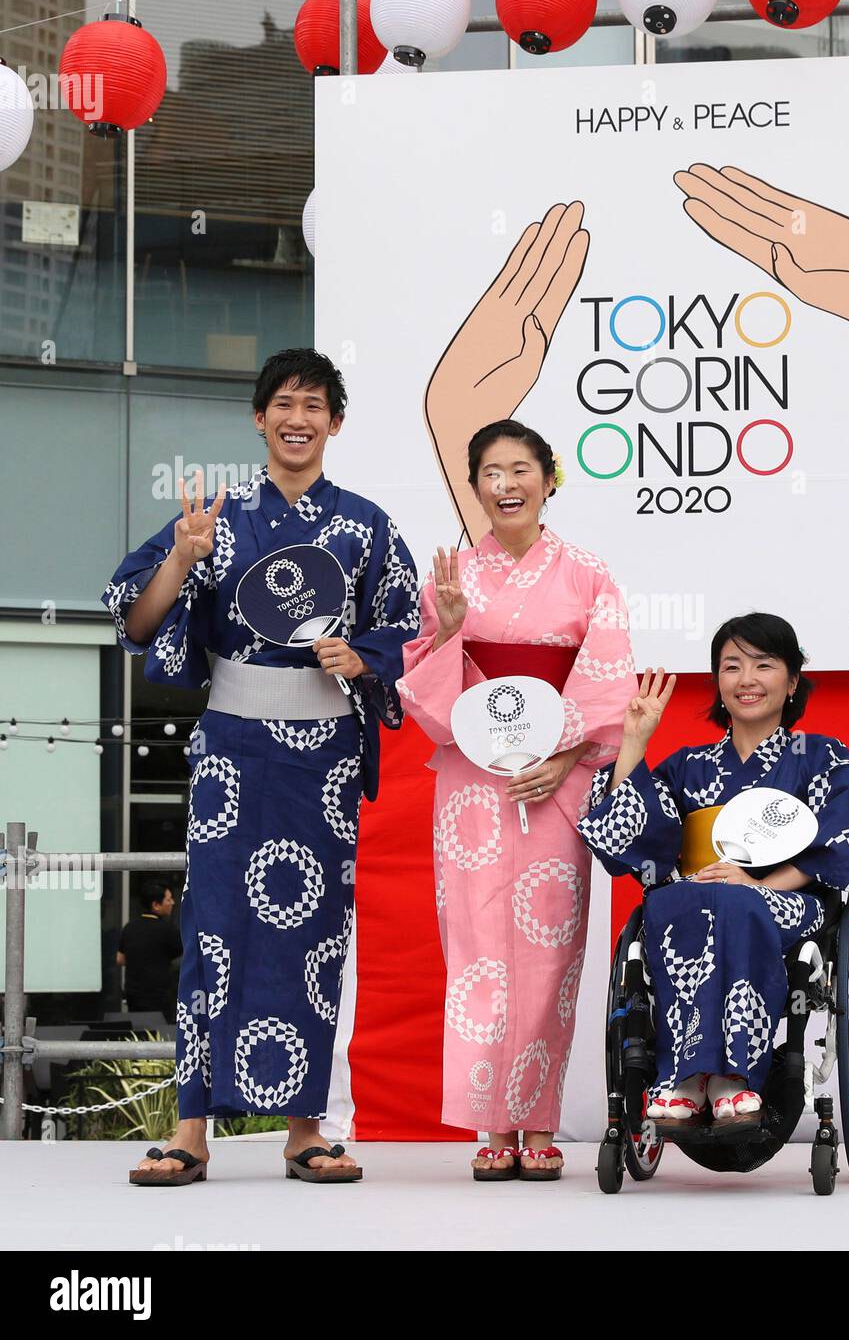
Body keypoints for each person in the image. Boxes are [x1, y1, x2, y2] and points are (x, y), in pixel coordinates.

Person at [103, 348, 420, 1185]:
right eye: (284, 402)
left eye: (315, 405)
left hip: (322, 757)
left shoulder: (366, 524)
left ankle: (305, 1128)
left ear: (336, 424)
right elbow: (135, 621)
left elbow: (407, 626)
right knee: (212, 926)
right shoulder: (217, 515)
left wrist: (363, 656)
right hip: (233, 747)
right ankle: (191, 1128)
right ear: (258, 417)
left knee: (313, 933)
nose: (299, 418)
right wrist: (180, 557)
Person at [397, 418, 637, 1182]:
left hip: (557, 776)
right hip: (475, 776)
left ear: (549, 477)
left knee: (549, 950)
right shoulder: (452, 577)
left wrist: (564, 752)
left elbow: (608, 677)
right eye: (491, 472)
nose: (506, 484)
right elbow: (420, 684)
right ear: (473, 487)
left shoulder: (588, 573)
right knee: (474, 948)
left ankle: (536, 1122)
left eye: (521, 468)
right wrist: (452, 629)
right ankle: (489, 1123)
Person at [577, 614, 849, 1128]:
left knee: (736, 902)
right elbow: (635, 833)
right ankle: (685, 1076)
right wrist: (635, 744)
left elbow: (840, 846)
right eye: (731, 666)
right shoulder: (690, 766)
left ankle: (734, 1076)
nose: (746, 679)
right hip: (694, 900)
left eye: (764, 664)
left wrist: (756, 883)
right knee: (666, 902)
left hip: (785, 900)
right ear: (718, 681)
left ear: (793, 680)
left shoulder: (822, 757)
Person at [116, 881, 182, 1022]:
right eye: (168, 899)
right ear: (156, 905)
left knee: (138, 1037)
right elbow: (186, 952)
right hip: (160, 998)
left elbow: (120, 959)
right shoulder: (167, 930)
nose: (173, 902)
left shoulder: (129, 927)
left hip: (134, 998)